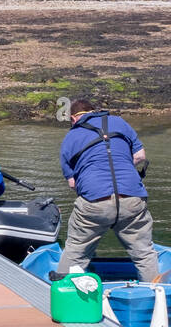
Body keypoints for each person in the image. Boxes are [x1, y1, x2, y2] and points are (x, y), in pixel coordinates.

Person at [54, 98, 160, 283]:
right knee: (144, 254)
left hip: (95, 200)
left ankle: (65, 292)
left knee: (76, 250)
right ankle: (157, 296)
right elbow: (140, 156)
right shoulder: (119, 122)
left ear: (73, 118)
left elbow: (73, 183)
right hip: (132, 196)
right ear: (94, 111)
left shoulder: (71, 137)